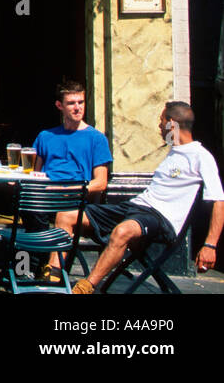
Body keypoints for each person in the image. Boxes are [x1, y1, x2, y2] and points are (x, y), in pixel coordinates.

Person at [71, 102, 223, 294]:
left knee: (122, 231)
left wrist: (210, 245)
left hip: (160, 219)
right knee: (68, 216)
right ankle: (55, 274)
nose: (159, 126)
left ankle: (85, 288)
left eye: (162, 121)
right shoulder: (173, 152)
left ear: (172, 124)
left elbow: (219, 200)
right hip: (136, 207)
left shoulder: (201, 156)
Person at [31, 81, 112, 281]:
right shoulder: (46, 136)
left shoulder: (96, 138)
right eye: (71, 103)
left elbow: (100, 183)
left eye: (81, 102)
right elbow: (34, 173)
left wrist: (71, 189)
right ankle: (33, 264)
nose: (77, 108)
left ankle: (52, 271)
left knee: (61, 211)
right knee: (26, 204)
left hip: (74, 198)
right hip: (46, 195)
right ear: (60, 106)